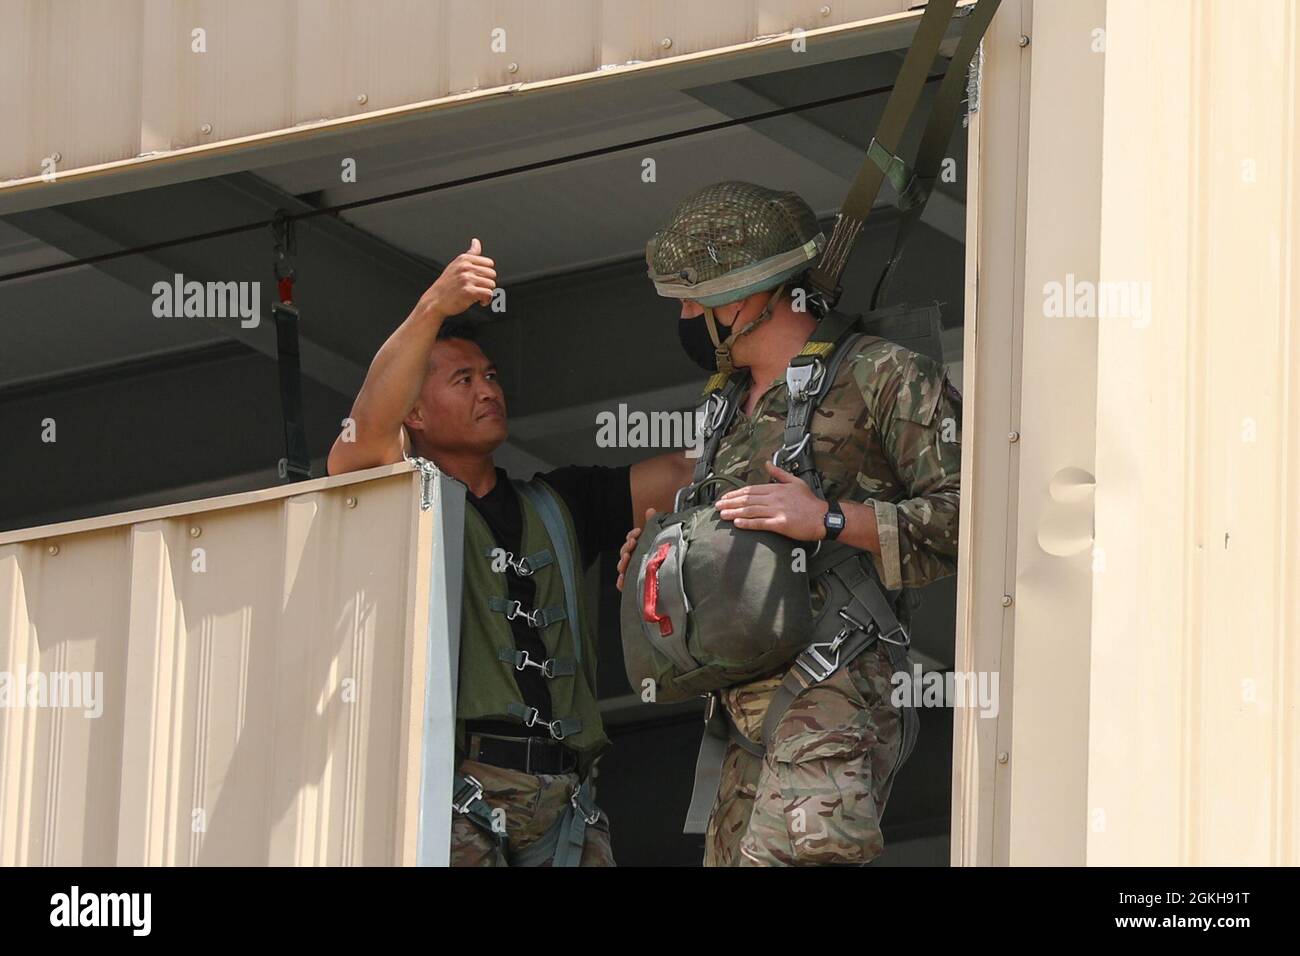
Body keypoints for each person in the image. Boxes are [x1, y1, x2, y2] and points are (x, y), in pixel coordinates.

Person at [617, 182, 962, 865]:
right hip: (739, 716)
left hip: (831, 695)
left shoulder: (882, 373)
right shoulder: (726, 405)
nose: (686, 314)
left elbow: (965, 519)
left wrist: (829, 519)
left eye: (697, 297)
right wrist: (665, 559)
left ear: (753, 297)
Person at [328, 239, 691, 866]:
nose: (487, 389)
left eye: (491, 375)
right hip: (457, 793)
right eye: (463, 380)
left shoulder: (560, 502)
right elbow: (357, 442)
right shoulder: (401, 500)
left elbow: (687, 474)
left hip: (564, 800)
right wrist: (433, 307)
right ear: (414, 411)